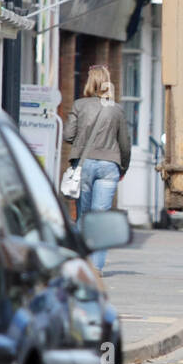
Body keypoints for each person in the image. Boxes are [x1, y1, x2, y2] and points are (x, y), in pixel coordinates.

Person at [64, 64, 131, 271]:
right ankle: (96, 268)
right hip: (109, 166)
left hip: (84, 165)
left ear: (89, 82)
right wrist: (123, 169)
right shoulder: (116, 109)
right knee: (100, 219)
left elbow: (67, 135)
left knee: (84, 217)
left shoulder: (79, 105)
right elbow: (125, 145)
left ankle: (81, 264)